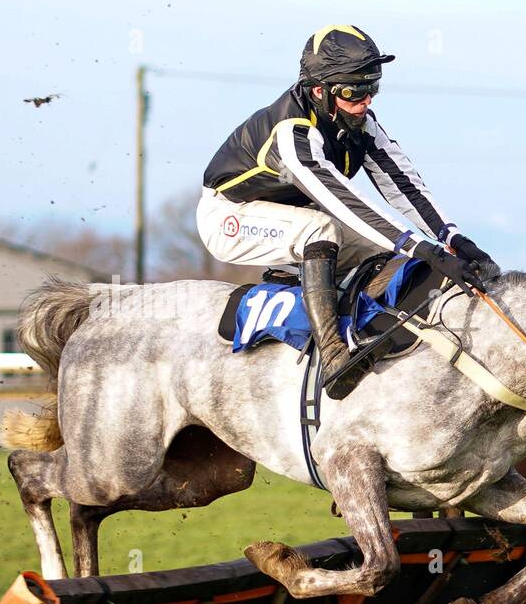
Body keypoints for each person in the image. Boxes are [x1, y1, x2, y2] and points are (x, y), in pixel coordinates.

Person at [198, 24, 500, 398]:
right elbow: (344, 201)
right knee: (320, 230)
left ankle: (362, 333)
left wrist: (452, 237)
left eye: (372, 88)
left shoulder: (360, 122)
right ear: (320, 90)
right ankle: (333, 354)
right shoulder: (292, 133)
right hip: (230, 217)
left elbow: (403, 184)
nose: (367, 100)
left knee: (383, 252)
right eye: (355, 91)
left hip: (297, 209)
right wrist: (424, 249)